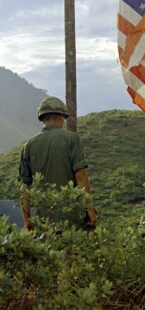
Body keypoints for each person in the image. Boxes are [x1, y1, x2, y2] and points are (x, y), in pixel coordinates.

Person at [18, 96, 97, 231]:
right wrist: (89, 209)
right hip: (72, 217)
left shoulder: (28, 145)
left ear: (42, 119)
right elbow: (80, 175)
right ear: (61, 117)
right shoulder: (72, 139)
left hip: (43, 220)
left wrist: (27, 220)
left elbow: (24, 187)